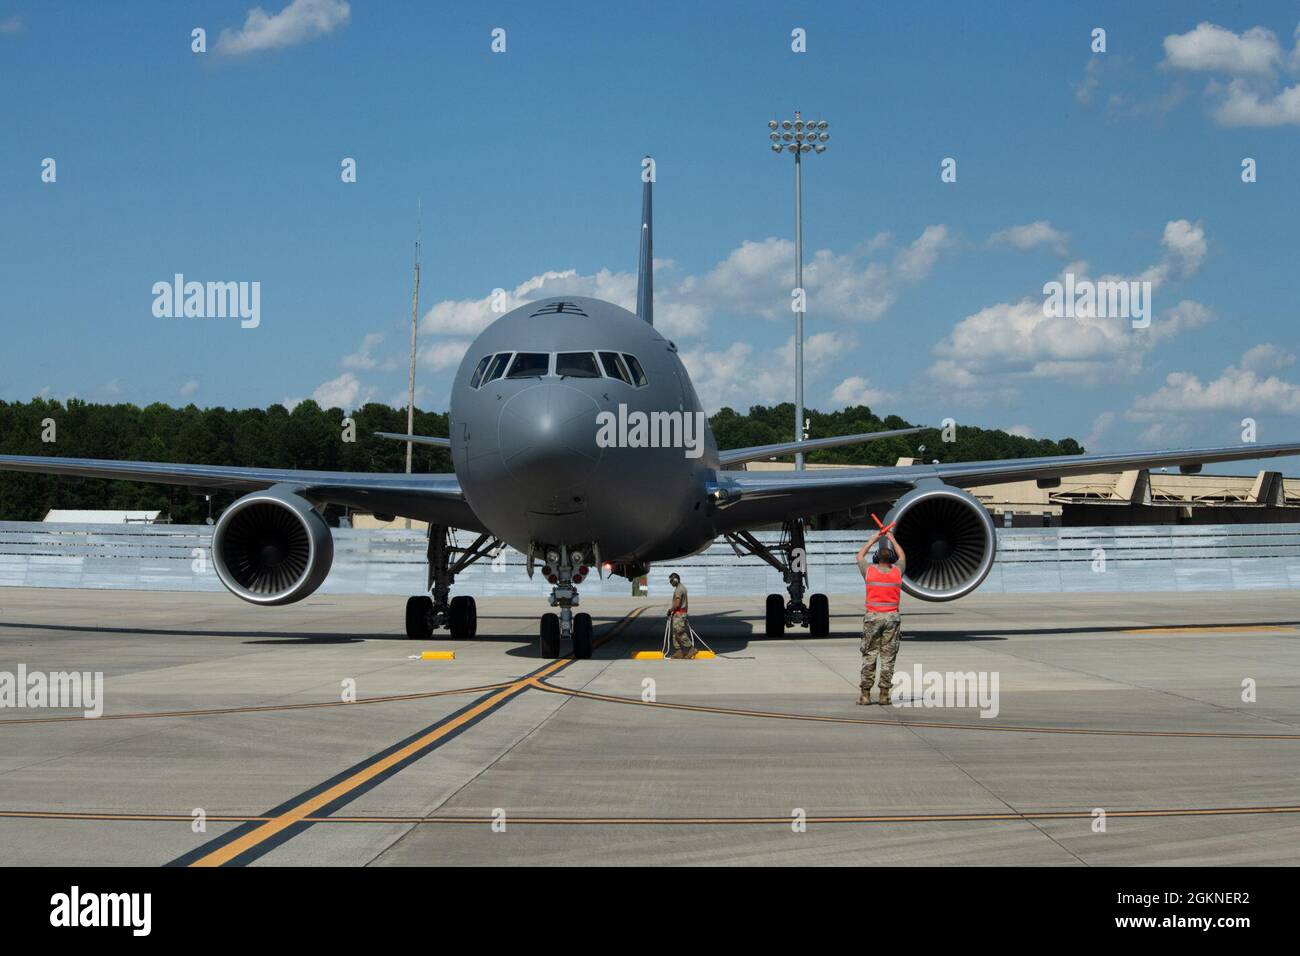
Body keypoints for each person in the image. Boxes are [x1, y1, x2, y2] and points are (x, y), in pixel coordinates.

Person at [855, 527, 907, 705]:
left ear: (876, 559)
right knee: (888, 656)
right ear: (891, 560)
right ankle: (884, 694)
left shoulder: (869, 572)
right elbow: (903, 557)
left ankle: (865, 694)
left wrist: (874, 539)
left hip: (873, 618)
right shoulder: (897, 573)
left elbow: (859, 556)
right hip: (892, 618)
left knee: (869, 654)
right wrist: (892, 538)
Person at [667, 571, 694, 659]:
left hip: (679, 613)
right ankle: (680, 651)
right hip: (678, 613)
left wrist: (670, 610)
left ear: (675, 580)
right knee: (675, 633)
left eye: (671, 581)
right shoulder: (680, 587)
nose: (670, 583)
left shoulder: (679, 590)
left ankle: (691, 649)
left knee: (680, 632)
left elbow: (677, 604)